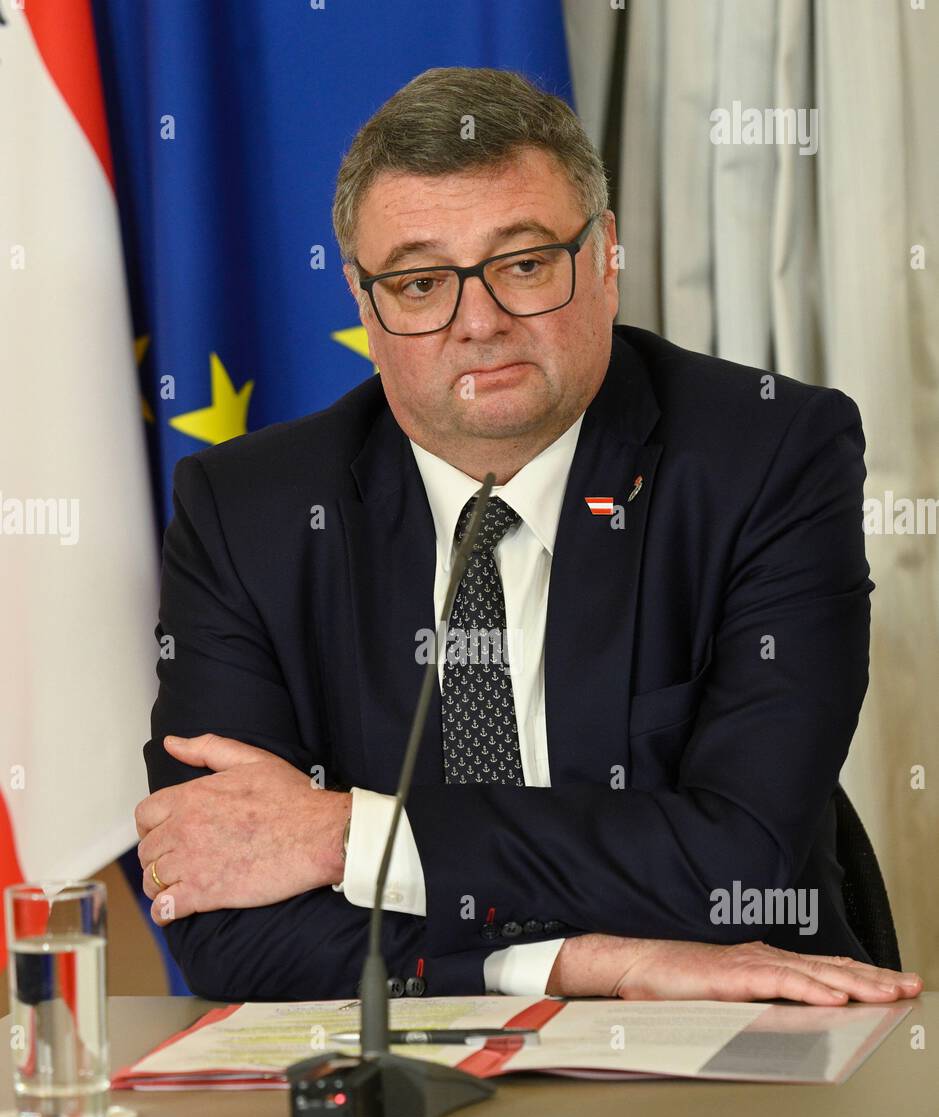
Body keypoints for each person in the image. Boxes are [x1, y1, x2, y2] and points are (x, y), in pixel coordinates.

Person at [135, 67, 922, 1017]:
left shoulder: (766, 458)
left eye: (523, 264)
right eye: (420, 283)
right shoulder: (246, 512)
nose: (479, 323)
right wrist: (583, 965)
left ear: (604, 255)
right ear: (361, 298)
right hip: (415, 1069)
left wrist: (352, 840)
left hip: (730, 1034)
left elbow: (739, 858)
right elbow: (224, 926)